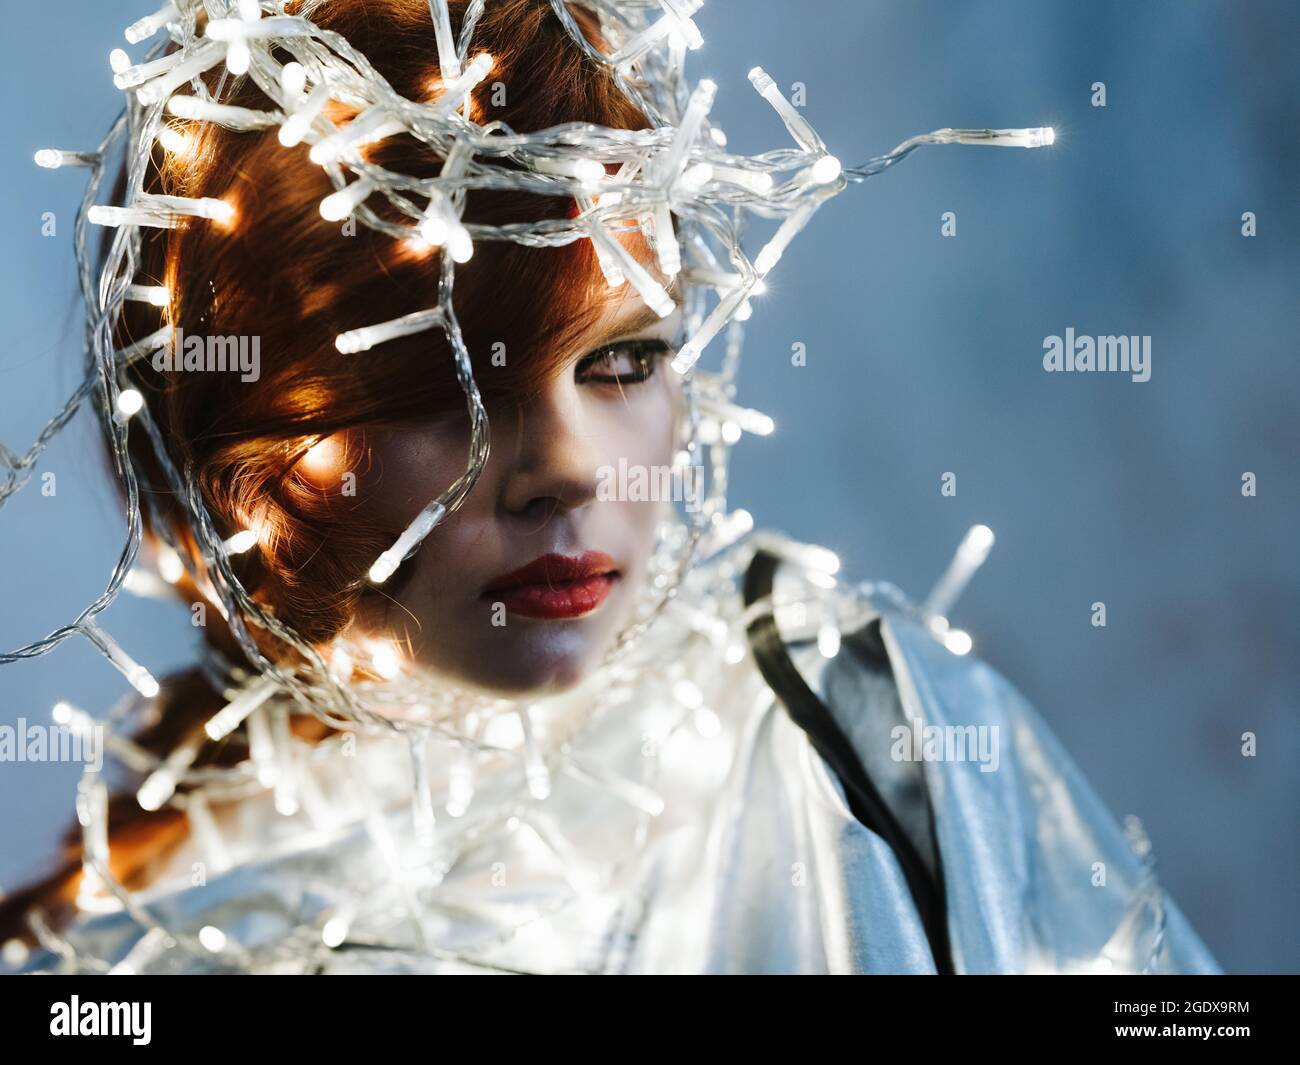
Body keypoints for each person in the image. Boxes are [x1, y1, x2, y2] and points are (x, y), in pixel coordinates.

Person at [0, 0, 1219, 974]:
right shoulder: (132, 958)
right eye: (449, 390)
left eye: (623, 360)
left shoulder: (847, 731)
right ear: (244, 455)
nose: (569, 470)